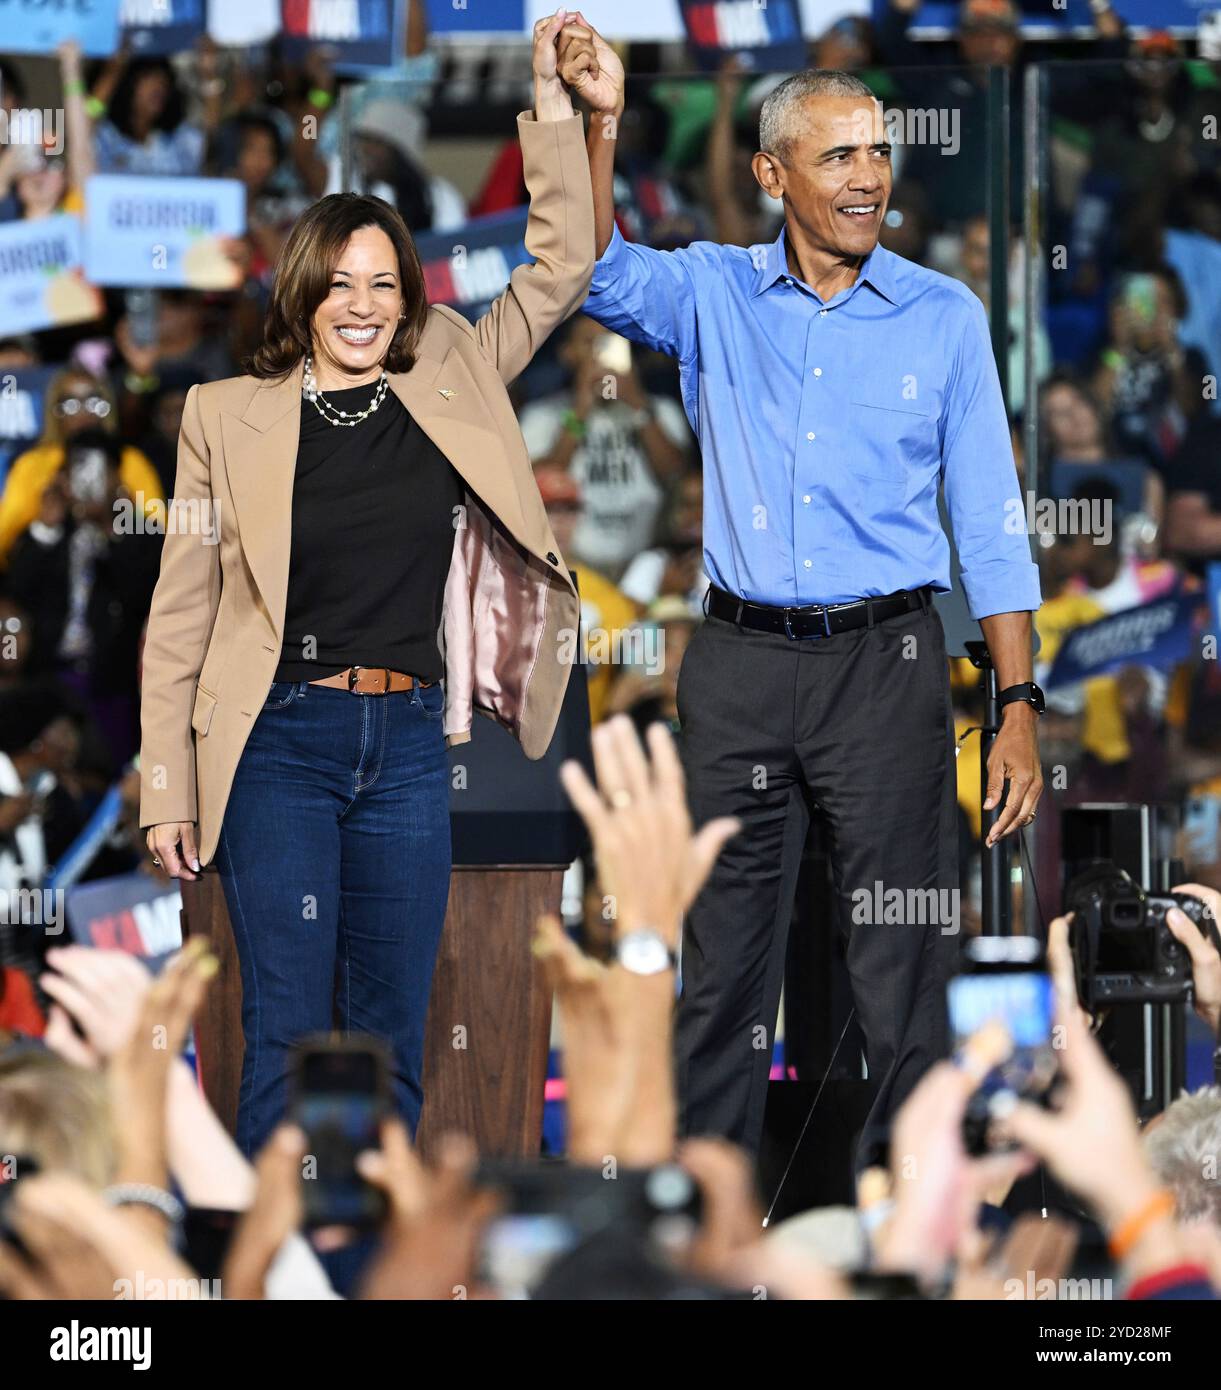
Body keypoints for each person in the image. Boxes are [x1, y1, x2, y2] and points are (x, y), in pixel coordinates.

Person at [563, 24, 1044, 1169]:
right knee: (722, 970)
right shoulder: (712, 293)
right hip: (736, 668)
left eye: (878, 152)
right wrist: (600, 125)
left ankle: (914, 1230)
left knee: (902, 971)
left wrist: (1017, 702)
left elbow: (989, 523)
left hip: (889, 665)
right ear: (772, 174)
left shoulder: (945, 316)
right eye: (838, 157)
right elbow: (590, 266)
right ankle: (706, 1227)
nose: (869, 176)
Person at [138, 11, 595, 1160]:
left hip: (404, 745)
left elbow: (564, 266)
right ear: (303, 291)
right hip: (276, 744)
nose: (362, 305)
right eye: (340, 284)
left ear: (409, 297)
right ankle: (268, 1268)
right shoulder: (220, 416)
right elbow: (180, 612)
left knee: (392, 1037)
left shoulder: (449, 370)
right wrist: (166, 787)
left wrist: (553, 104)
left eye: (384, 285)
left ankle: (379, 1270)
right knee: (287, 1030)